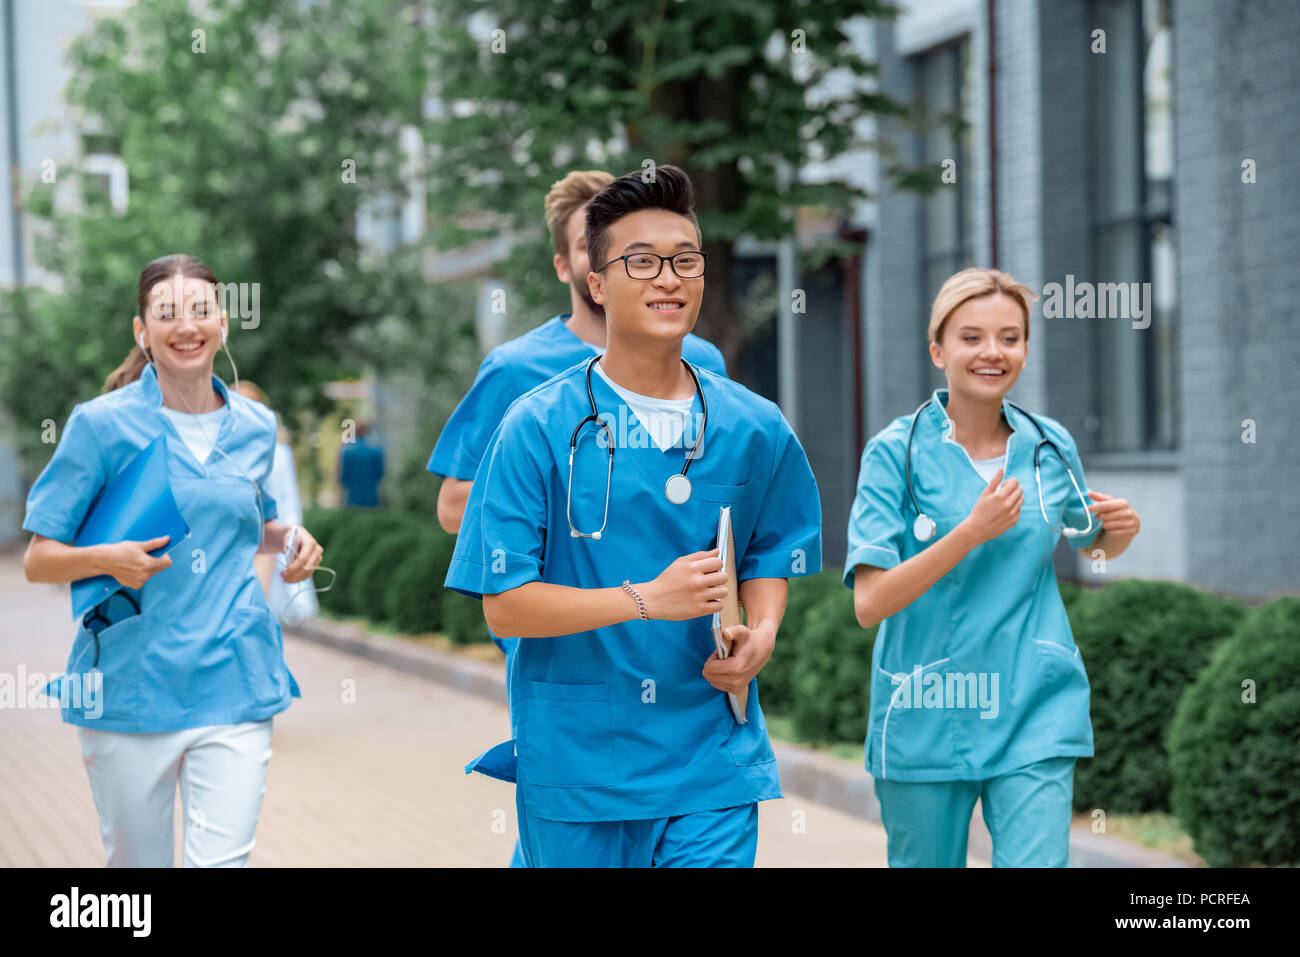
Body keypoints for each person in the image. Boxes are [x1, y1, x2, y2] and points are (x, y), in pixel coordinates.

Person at [447, 165, 822, 867]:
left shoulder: (752, 426)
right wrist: (647, 599)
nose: (669, 278)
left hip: (711, 753)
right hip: (581, 759)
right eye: (641, 262)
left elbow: (772, 548)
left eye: (685, 260)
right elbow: (505, 606)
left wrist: (763, 632)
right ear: (596, 281)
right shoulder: (535, 426)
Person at [21, 254, 324, 867]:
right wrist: (107, 557)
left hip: (234, 677)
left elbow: (242, 524)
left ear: (223, 324)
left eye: (201, 311)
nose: (186, 327)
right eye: (167, 314)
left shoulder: (256, 427)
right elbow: (39, 559)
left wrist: (292, 536)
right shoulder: (100, 428)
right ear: (143, 332)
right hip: (132, 686)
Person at [843, 267, 1142, 868]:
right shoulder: (893, 454)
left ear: (1026, 349)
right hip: (925, 707)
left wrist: (1118, 537)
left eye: (1010, 337)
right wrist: (969, 534)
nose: (992, 352)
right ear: (938, 351)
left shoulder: (1050, 446)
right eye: (972, 336)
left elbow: (1093, 548)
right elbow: (870, 603)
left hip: (1032, 702)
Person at [235, 381, 320, 627]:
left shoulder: (278, 453)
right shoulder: (221, 454)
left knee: (258, 614)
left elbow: (288, 499)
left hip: (268, 541)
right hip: (240, 543)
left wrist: (291, 538)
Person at [338, 421, 384, 508]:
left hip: (353, 499)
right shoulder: (377, 451)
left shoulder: (347, 451)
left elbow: (344, 478)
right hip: (372, 499)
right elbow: (380, 474)